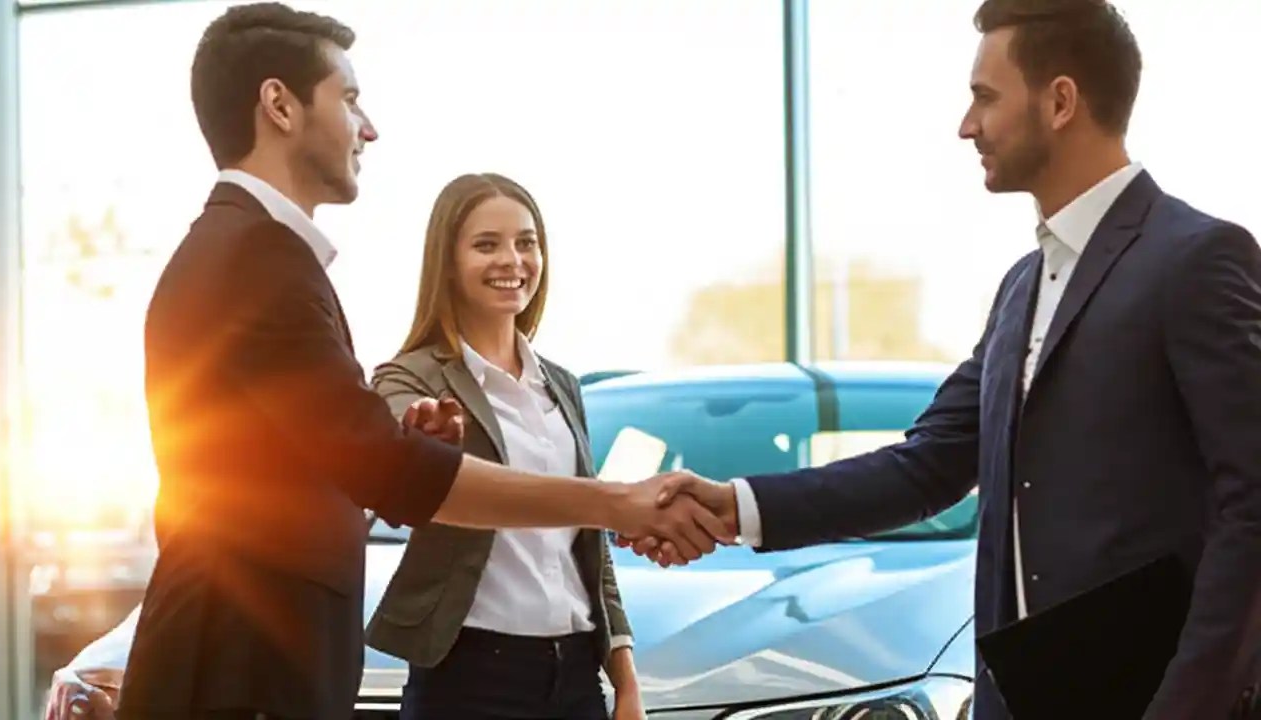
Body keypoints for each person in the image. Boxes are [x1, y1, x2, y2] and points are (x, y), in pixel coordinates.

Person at [632, 1, 1261, 717]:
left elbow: (1254, 502)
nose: (968, 126)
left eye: (984, 98)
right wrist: (737, 504)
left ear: (1059, 101)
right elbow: (925, 467)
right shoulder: (1022, 288)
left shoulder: (1197, 260)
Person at [120, 4, 729, 719]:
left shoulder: (245, 252)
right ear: (279, 105)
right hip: (241, 669)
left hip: (246, 661)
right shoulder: (258, 261)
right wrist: (615, 501)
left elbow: (306, 468)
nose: (368, 127)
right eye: (349, 99)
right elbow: (381, 464)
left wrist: (410, 454)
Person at [365, 172, 645, 720]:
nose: (512, 260)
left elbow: (588, 544)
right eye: (486, 244)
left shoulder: (562, 386)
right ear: (447, 261)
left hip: (576, 677)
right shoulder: (408, 379)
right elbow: (399, 469)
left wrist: (627, 684)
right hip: (470, 676)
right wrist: (422, 446)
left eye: (526, 242)